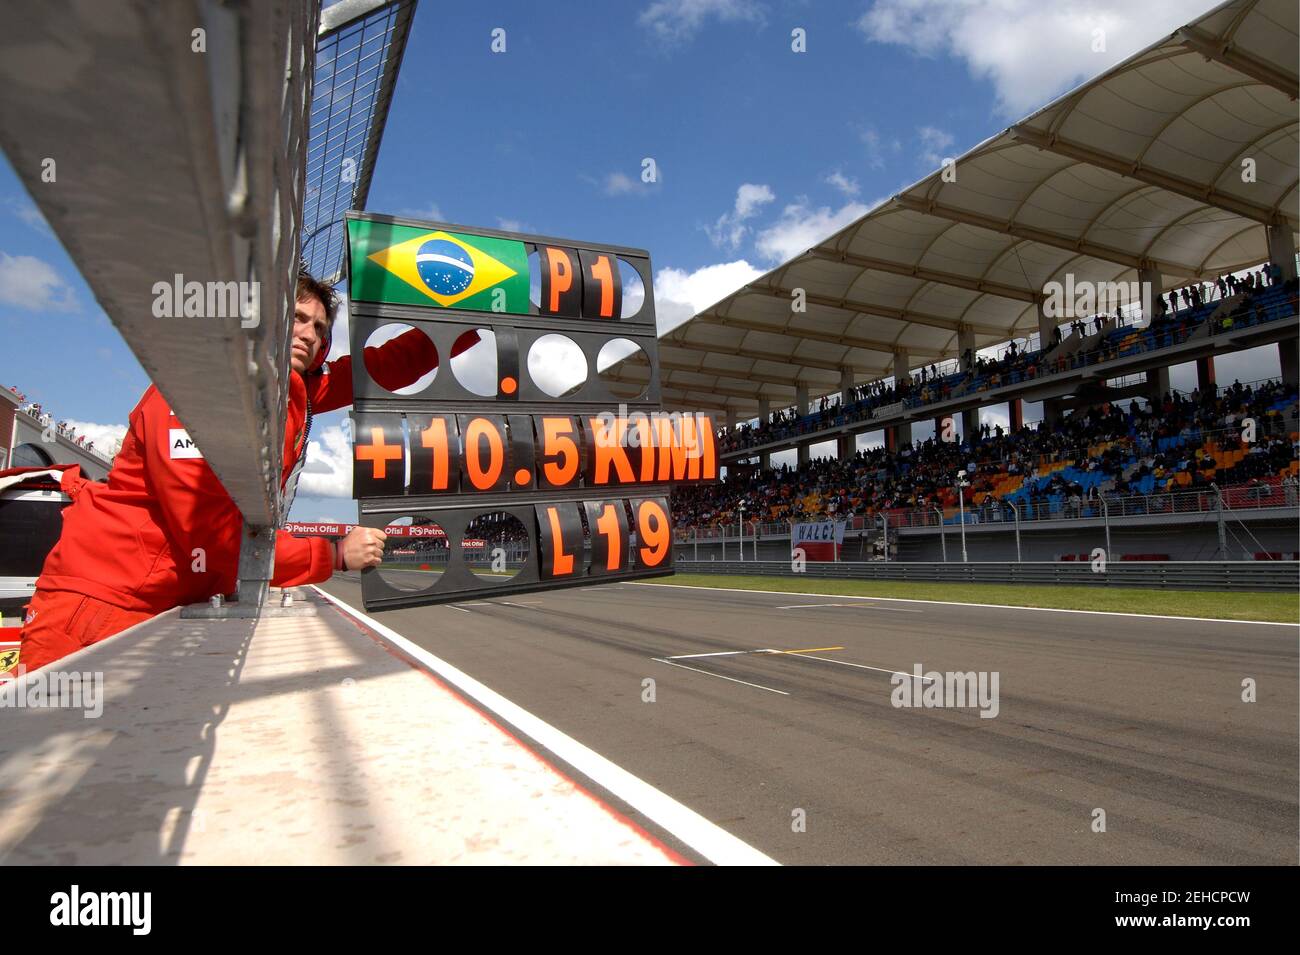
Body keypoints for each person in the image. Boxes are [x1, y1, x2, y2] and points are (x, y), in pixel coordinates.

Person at [15, 269, 441, 673]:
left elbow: (383, 367)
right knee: (61, 748)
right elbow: (206, 533)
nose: (310, 334)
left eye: (320, 329)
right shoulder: (202, 388)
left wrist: (473, 321)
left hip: (156, 604)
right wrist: (332, 555)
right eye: (297, 318)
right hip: (101, 606)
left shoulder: (292, 389)